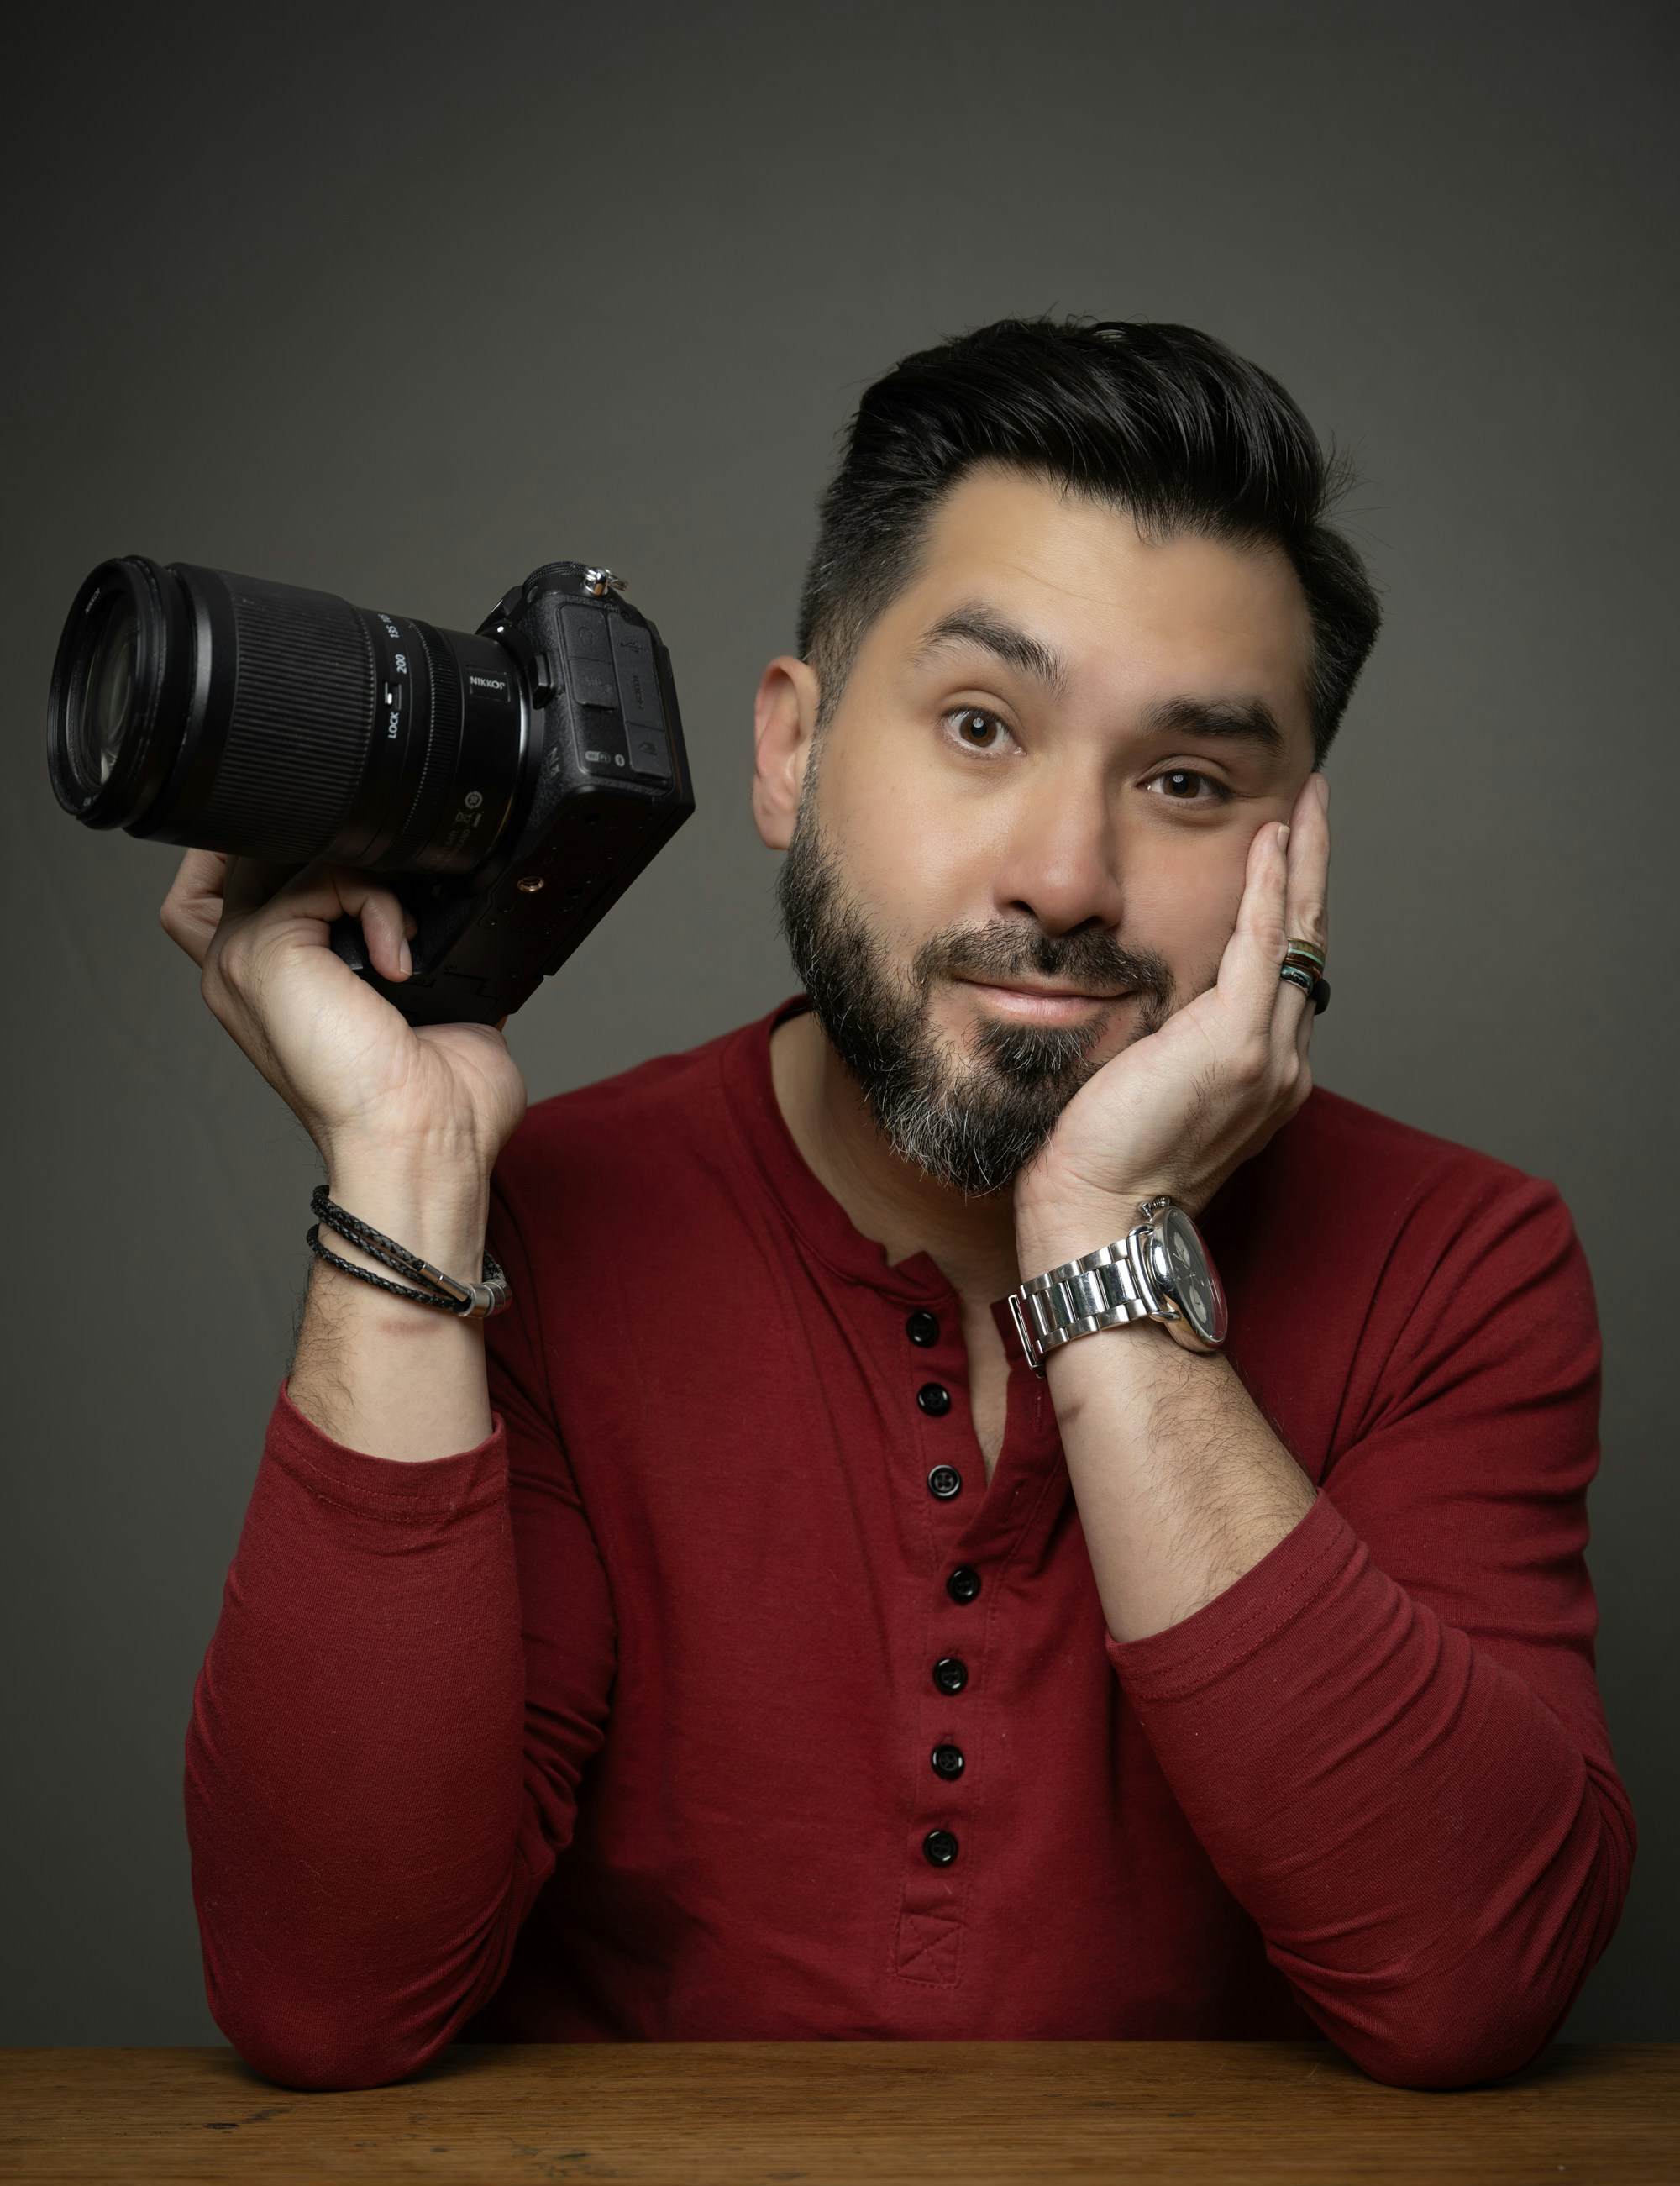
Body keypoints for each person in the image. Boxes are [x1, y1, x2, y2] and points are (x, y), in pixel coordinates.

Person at [168, 318, 1631, 2093]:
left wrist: (1105, 1237)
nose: (1067, 880)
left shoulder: (1459, 1264)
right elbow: (330, 1997)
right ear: (789, 752)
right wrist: (405, 1175)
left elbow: (1465, 1985)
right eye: (980, 726)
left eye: (1186, 781)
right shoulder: (542, 1227)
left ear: (1296, 856)